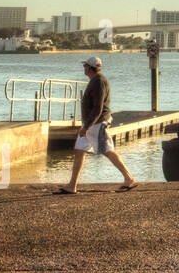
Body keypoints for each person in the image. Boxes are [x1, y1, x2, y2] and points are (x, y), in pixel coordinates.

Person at [59, 56, 137, 194]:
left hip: (97, 123)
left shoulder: (99, 82)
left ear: (89, 68)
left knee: (107, 150)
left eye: (85, 66)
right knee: (79, 151)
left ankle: (129, 178)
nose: (84, 68)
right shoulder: (95, 80)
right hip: (91, 124)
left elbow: (97, 108)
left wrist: (87, 126)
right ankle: (72, 185)